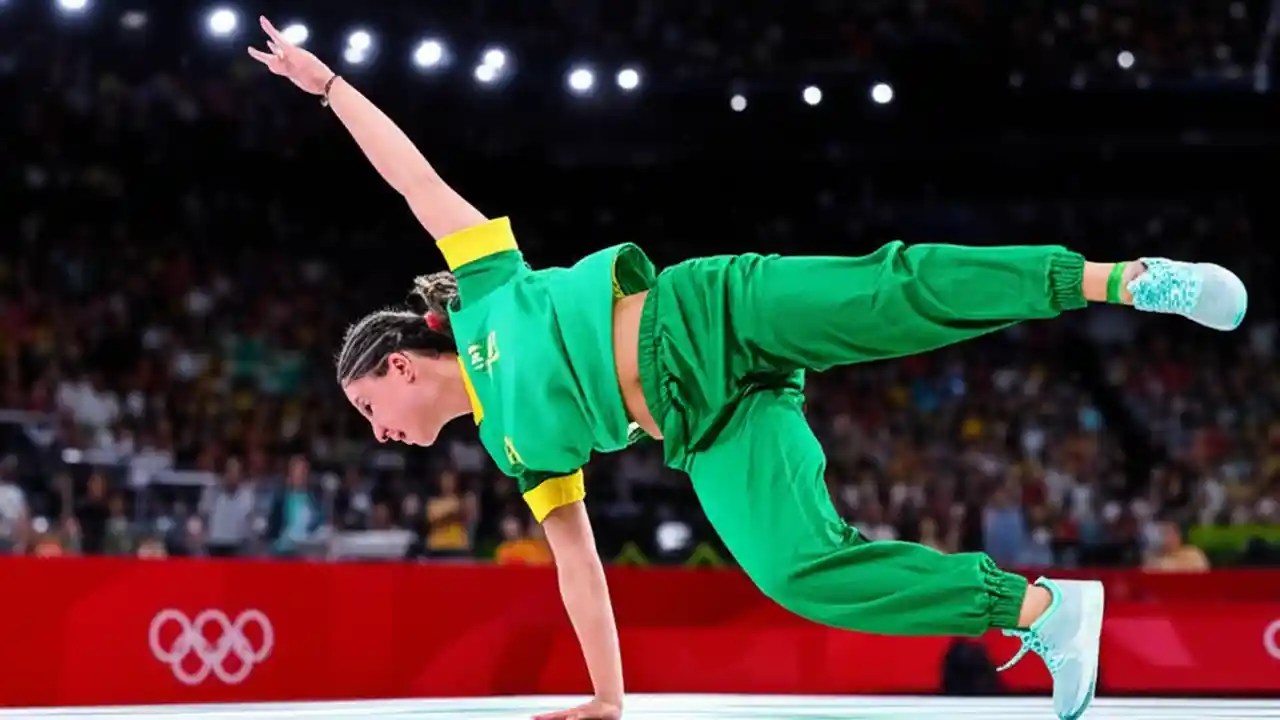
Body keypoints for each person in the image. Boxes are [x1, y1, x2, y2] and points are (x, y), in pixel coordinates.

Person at [248, 17, 1247, 720]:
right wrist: (608, 695)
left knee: (892, 291)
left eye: (365, 404)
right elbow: (578, 567)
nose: (374, 429)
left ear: (395, 360)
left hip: (711, 310)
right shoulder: (515, 449)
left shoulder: (490, 287)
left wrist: (328, 85)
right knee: (794, 573)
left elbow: (411, 176)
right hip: (715, 426)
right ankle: (1038, 609)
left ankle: (1120, 280)